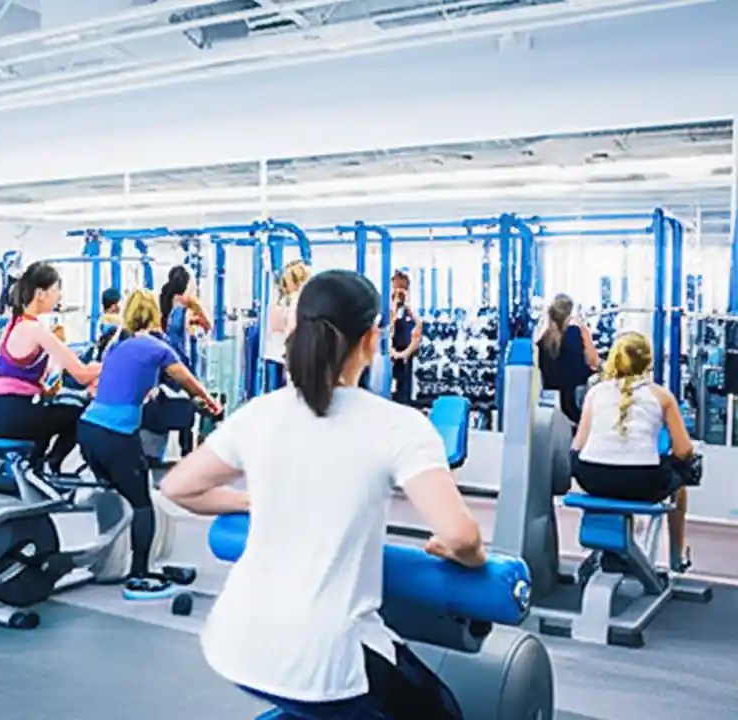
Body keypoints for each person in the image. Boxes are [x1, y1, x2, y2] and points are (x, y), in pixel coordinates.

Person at [162, 269, 485, 720]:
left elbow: (178, 487)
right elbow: (462, 537)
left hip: (235, 642)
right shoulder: (400, 425)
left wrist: (253, 502)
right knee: (442, 713)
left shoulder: (260, 413)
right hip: (324, 661)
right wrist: (462, 555)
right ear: (372, 339)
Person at [79, 289, 221, 597]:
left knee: (117, 492)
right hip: (115, 436)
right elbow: (186, 380)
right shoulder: (158, 348)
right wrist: (211, 403)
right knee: (143, 504)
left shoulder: (118, 347)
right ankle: (139, 573)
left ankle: (110, 560)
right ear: (155, 315)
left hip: (88, 430)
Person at [572, 331, 695, 571]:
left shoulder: (595, 393)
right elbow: (684, 451)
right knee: (680, 485)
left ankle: (604, 549)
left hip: (592, 479)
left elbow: (578, 446)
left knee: (598, 472)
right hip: (642, 482)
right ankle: (677, 558)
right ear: (648, 363)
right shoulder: (662, 396)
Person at [0, 262, 100, 480]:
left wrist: (17, 377)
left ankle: (32, 468)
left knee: (47, 413)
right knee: (78, 413)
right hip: (13, 415)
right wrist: (110, 364)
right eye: (56, 290)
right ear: (41, 293)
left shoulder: (12, 325)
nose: (59, 296)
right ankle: (51, 465)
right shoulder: (37, 330)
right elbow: (82, 374)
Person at [158, 266, 212, 453]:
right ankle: (188, 454)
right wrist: (195, 302)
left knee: (173, 409)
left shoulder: (165, 304)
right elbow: (207, 325)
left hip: (167, 365)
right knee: (193, 411)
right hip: (184, 366)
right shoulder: (185, 310)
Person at [536, 294, 599, 424]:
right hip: (575, 403)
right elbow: (593, 361)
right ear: (570, 312)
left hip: (552, 404)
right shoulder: (577, 332)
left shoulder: (542, 339)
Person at [264, 261, 310, 393]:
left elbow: (278, 326)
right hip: (284, 354)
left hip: (278, 353)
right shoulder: (297, 300)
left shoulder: (287, 300)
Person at [390, 272, 423, 406]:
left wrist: (404, 354)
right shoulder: (389, 312)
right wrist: (393, 308)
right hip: (391, 356)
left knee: (405, 387)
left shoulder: (411, 314)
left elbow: (418, 331)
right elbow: (386, 330)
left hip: (407, 356)